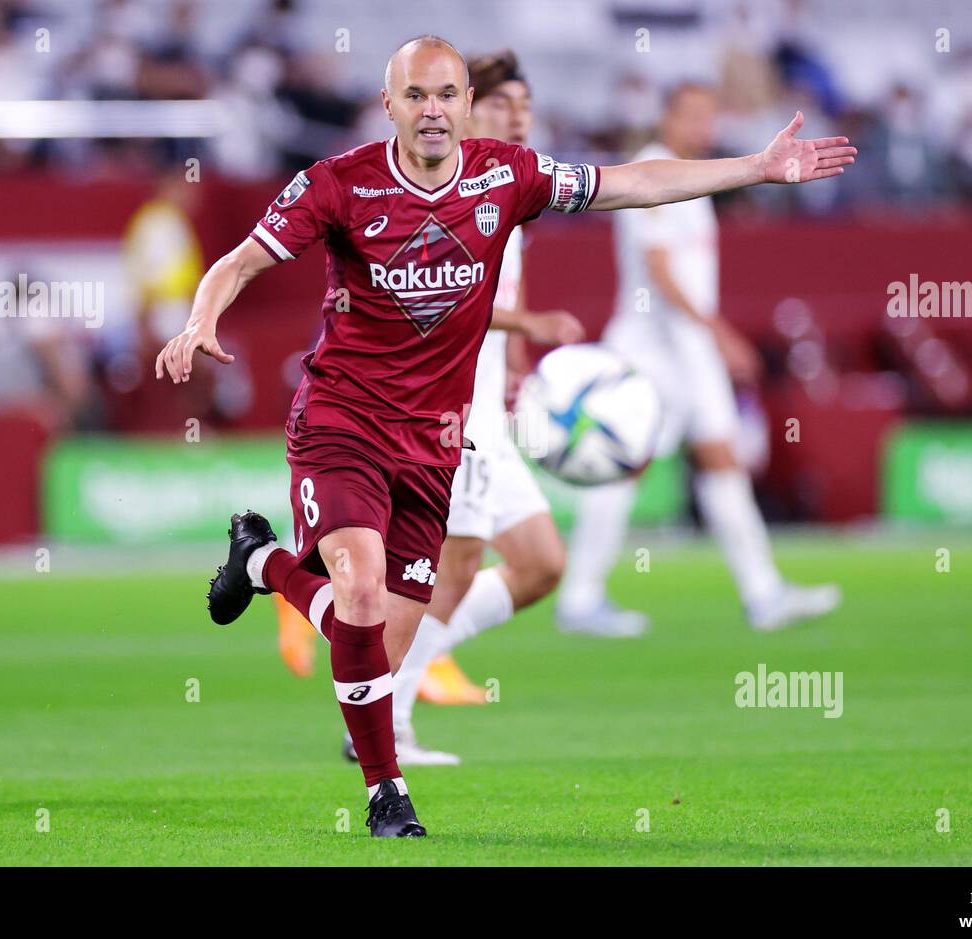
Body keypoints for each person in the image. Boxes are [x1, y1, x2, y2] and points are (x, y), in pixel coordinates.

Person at [155, 36, 856, 837]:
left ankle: (262, 560)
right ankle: (388, 794)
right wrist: (200, 320)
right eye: (415, 95)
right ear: (388, 105)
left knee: (376, 643)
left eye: (446, 95)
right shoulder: (338, 184)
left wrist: (753, 169)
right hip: (342, 419)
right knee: (357, 590)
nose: (432, 111)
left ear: (463, 104)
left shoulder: (507, 174)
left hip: (434, 440)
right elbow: (240, 262)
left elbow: (632, 182)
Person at [344, 48, 584, 766]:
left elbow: (497, 297)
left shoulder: (511, 189)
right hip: (450, 409)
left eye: (526, 107)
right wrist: (527, 327)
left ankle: (384, 690)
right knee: (451, 567)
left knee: (541, 564)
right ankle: (383, 721)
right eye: (503, 105)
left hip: (488, 409)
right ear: (468, 111)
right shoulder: (446, 188)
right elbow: (449, 296)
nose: (517, 118)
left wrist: (513, 363)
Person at [558, 83, 841, 636]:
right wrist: (719, 332)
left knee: (721, 461)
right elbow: (660, 271)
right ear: (666, 116)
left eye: (711, 116)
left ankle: (763, 593)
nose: (704, 127)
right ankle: (580, 597)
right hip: (649, 351)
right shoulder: (649, 168)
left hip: (690, 353)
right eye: (692, 115)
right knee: (624, 468)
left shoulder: (700, 177)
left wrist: (707, 339)